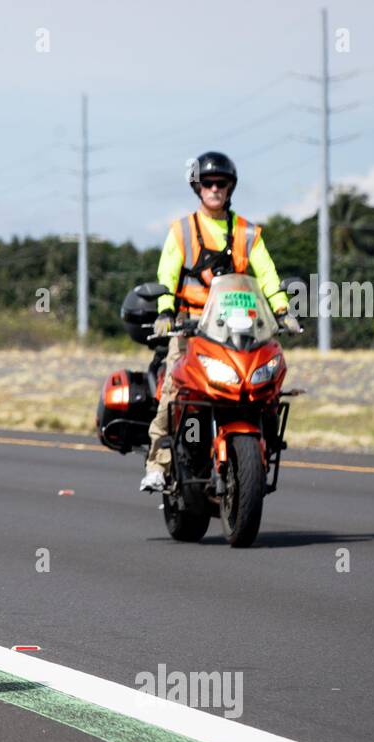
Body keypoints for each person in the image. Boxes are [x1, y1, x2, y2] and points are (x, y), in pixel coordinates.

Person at [140, 151, 301, 493]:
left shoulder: (248, 232)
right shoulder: (182, 230)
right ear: (197, 188)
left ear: (231, 188)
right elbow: (166, 274)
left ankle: (264, 441)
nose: (214, 189)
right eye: (208, 183)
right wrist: (166, 313)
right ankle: (158, 464)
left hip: (237, 326)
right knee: (172, 389)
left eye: (221, 183)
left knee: (268, 380)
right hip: (191, 325)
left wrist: (283, 311)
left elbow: (268, 276)